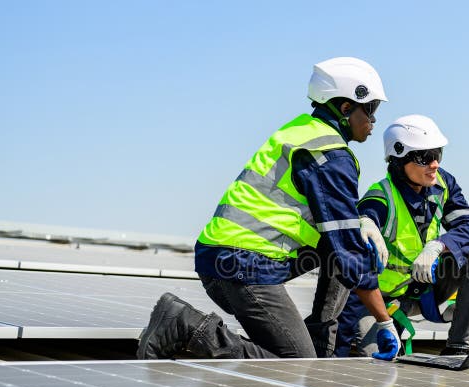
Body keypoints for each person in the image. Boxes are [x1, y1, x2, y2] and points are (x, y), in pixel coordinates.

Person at [136, 57, 401, 361]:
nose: (374, 120)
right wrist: (384, 321)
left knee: (299, 351)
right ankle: (185, 324)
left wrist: (358, 223)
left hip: (219, 258)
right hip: (245, 264)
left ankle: (315, 343)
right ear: (345, 108)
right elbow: (350, 254)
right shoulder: (331, 155)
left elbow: (336, 242)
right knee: (297, 363)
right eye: (371, 109)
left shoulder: (302, 132)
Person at [335, 115, 469, 358]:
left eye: (438, 154)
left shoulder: (442, 183)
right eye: (425, 157)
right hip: (379, 301)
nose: (435, 164)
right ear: (399, 160)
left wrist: (438, 246)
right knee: (375, 361)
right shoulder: (381, 198)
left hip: (423, 289)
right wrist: (363, 221)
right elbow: (363, 227)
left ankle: (457, 346)